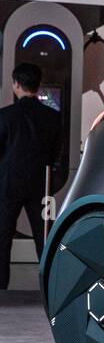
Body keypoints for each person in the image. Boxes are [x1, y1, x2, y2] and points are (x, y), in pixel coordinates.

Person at [0, 63, 61, 290]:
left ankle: (1, 288)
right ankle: (50, 288)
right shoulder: (53, 117)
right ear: (38, 85)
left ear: (16, 84)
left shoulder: (6, 116)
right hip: (40, 185)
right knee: (44, 239)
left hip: (8, 184)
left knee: (2, 238)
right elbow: (56, 152)